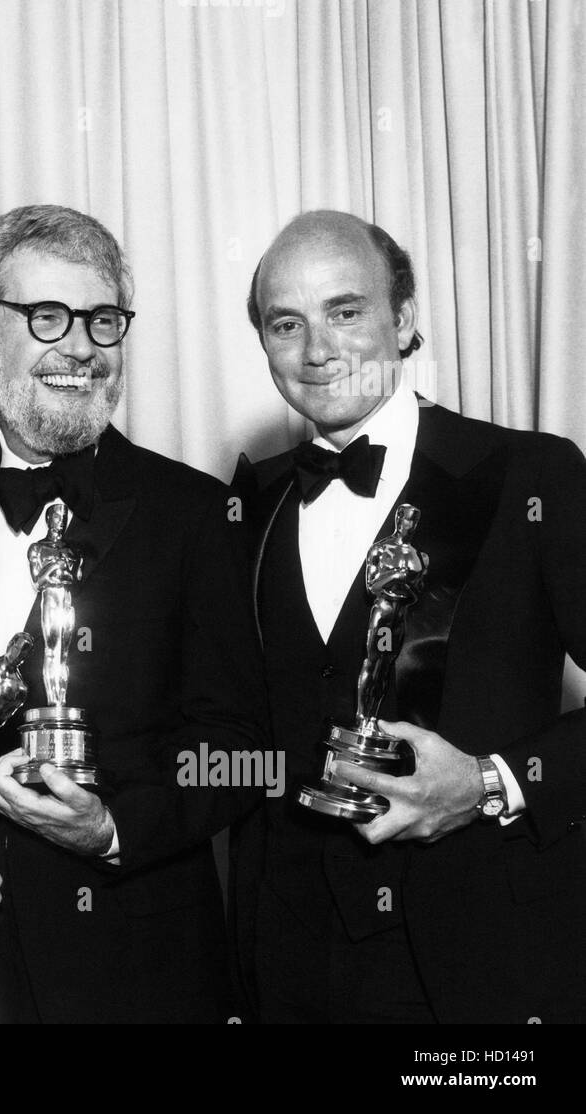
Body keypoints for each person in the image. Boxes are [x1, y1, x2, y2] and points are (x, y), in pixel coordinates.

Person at [232, 209, 586, 1023]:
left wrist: (493, 782)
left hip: (482, 964)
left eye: (345, 311)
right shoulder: (249, 501)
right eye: (287, 324)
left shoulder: (531, 474)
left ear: (403, 319)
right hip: (286, 963)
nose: (317, 350)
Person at [0, 204, 269, 1023]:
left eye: (102, 320)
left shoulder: (197, 514)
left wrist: (114, 826)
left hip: (142, 967)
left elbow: (243, 751)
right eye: (47, 317)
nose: (81, 347)